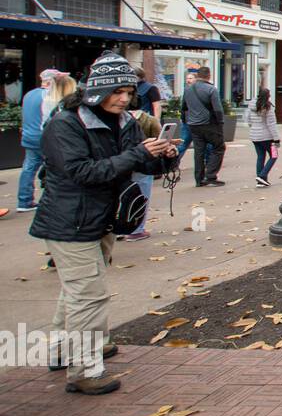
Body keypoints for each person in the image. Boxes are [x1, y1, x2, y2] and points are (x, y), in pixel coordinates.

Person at [31, 51, 178, 394]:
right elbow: (82, 173)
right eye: (117, 92)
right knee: (90, 296)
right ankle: (84, 369)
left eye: (128, 92)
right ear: (97, 90)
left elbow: (134, 164)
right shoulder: (65, 124)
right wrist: (139, 154)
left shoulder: (124, 121)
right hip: (71, 221)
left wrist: (162, 157)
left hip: (101, 219)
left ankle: (60, 350)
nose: (124, 99)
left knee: (77, 291)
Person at [17, 69, 63, 213]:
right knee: (53, 169)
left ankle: (24, 201)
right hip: (43, 138)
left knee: (28, 168)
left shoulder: (29, 94)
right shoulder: (50, 96)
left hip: (29, 136)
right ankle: (52, 202)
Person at [123, 103, 162, 242]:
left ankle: (120, 228)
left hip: (122, 165)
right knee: (142, 194)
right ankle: (136, 229)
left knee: (121, 194)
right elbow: (158, 137)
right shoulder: (149, 120)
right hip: (141, 164)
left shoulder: (115, 119)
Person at [183, 66, 225, 186]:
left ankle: (199, 179)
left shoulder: (188, 90)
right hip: (209, 124)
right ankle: (211, 176)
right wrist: (220, 123)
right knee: (219, 147)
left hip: (193, 125)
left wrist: (187, 121)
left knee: (199, 151)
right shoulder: (211, 89)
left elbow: (184, 108)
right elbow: (218, 109)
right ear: (209, 75)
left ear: (197, 75)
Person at [247, 86, 279, 187]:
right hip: (267, 137)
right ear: (268, 96)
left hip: (254, 136)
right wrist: (276, 138)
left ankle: (261, 181)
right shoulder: (268, 107)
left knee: (260, 156)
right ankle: (262, 175)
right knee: (274, 155)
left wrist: (253, 128)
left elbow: (248, 119)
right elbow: (271, 124)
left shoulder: (251, 104)